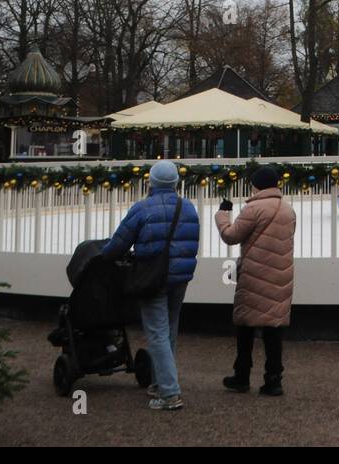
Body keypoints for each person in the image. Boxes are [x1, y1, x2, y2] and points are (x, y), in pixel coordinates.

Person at [101, 160, 200, 411]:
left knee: (157, 333)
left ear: (151, 182)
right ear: (176, 182)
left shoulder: (143, 208)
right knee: (169, 331)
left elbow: (119, 243)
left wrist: (104, 256)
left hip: (152, 278)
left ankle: (169, 393)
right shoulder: (187, 207)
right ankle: (159, 383)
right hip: (180, 278)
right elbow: (191, 242)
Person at [215, 166, 295, 396]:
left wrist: (222, 215)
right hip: (281, 274)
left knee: (245, 327)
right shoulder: (288, 210)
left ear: (257, 185)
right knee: (274, 329)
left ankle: (241, 376)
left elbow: (231, 236)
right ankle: (273, 379)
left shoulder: (253, 208)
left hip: (254, 273)